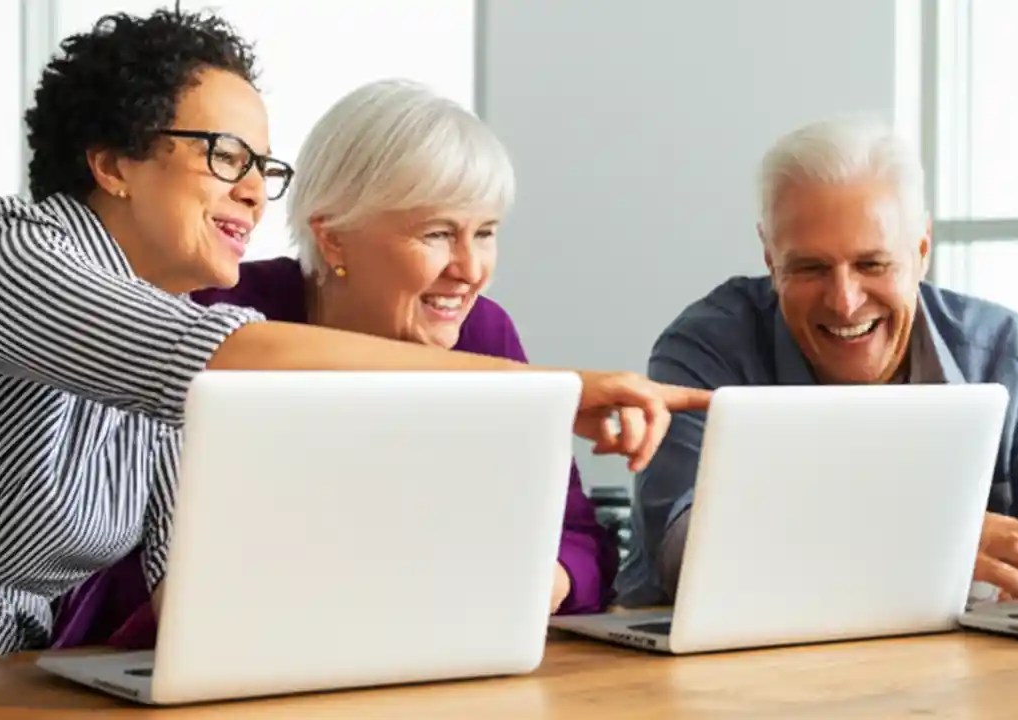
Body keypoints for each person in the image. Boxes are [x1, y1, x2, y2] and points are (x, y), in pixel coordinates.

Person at [0, 9, 706, 666]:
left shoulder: (170, 329)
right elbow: (230, 358)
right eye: (224, 156)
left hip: (20, 674)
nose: (251, 189)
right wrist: (547, 393)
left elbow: (193, 586)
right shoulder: (5, 249)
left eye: (258, 166)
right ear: (111, 163)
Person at [51, 80, 621, 649]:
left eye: (487, 233)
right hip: (179, 649)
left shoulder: (484, 331)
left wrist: (539, 583)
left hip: (413, 652)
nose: (470, 269)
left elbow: (576, 536)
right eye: (439, 233)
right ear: (334, 239)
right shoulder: (217, 312)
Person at [615, 118, 1018, 609]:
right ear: (770, 257)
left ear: (921, 251)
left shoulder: (1003, 351)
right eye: (810, 268)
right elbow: (685, 552)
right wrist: (931, 540)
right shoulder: (707, 350)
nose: (845, 302)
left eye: (872, 265)